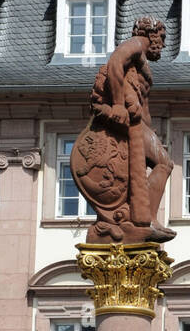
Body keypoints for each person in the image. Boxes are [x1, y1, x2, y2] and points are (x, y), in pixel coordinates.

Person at [71, 17, 175, 244]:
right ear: (152, 33)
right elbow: (115, 62)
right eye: (162, 37)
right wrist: (118, 104)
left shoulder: (140, 58)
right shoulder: (136, 44)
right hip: (130, 122)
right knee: (164, 163)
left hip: (139, 125)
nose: (163, 44)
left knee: (160, 164)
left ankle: (144, 219)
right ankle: (146, 220)